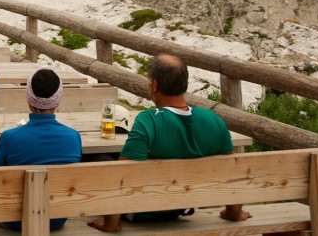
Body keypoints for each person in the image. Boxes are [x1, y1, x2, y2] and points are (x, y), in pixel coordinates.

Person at [87, 54, 250, 232]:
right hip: (181, 207)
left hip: (142, 212)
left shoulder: (148, 121)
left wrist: (111, 224)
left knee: (99, 159)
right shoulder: (213, 119)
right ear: (184, 83)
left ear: (154, 85)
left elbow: (123, 174)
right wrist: (234, 213)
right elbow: (233, 169)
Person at [0, 67, 82, 231]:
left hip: (15, 220)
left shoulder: (9, 137)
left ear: (29, 100)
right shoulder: (73, 137)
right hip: (56, 219)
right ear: (58, 101)